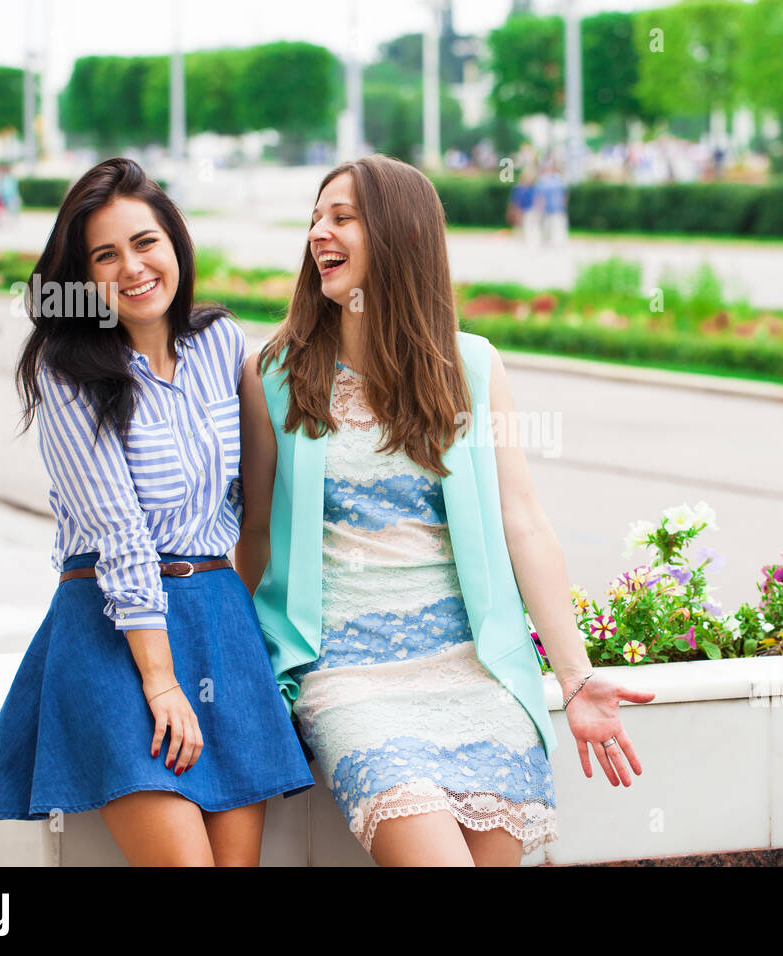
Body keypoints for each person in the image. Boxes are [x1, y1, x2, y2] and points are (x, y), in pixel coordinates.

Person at [235, 154, 654, 867]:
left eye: (341, 218)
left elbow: (523, 522)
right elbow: (254, 534)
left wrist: (576, 677)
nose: (318, 234)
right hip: (346, 675)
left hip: (473, 669)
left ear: (399, 235)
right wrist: (220, 665)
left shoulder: (473, 367)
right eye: (315, 218)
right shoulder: (274, 372)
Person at [0, 157, 314, 866]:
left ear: (175, 244)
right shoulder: (67, 369)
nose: (133, 267)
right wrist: (160, 681)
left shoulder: (218, 344)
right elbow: (118, 534)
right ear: (80, 278)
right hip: (115, 630)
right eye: (105, 255)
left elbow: (259, 496)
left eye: (145, 242)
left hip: (219, 624)